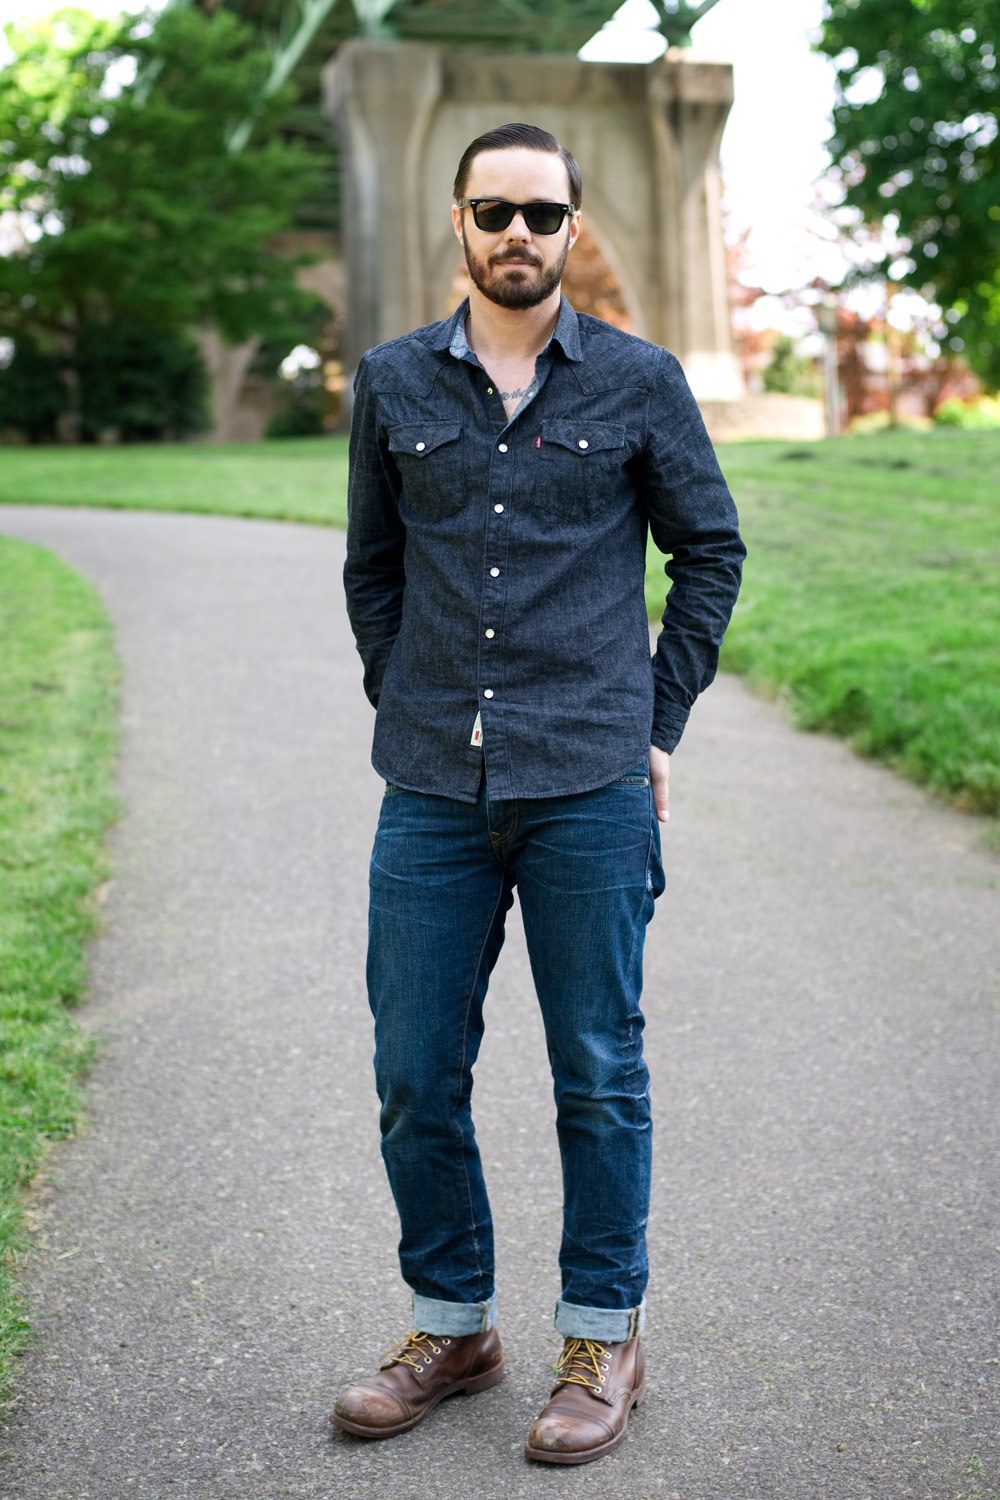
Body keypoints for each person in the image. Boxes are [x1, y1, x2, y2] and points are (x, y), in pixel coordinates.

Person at [333, 121, 744, 1466]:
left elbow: (711, 553)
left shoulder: (639, 381)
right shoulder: (393, 381)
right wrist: (408, 694)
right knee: (412, 1070)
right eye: (493, 210)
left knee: (596, 1072)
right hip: (431, 793)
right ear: (457, 222)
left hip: (588, 787)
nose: (518, 233)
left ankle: (600, 1334)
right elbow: (372, 570)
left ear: (574, 230)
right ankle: (454, 1324)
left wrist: (655, 719)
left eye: (543, 213)